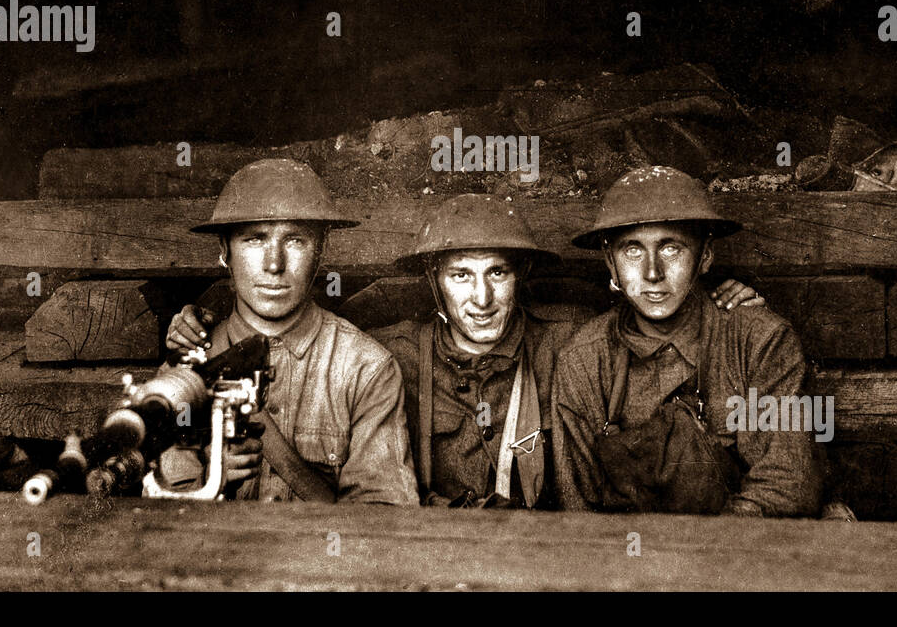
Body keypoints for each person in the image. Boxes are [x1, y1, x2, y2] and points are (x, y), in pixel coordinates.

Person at [169, 192, 765, 508]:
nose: (480, 299)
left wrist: (719, 305)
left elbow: (645, 333)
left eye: (498, 274)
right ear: (433, 284)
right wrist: (193, 323)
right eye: (460, 276)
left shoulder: (573, 347)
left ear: (522, 278)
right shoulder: (390, 356)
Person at [552, 166, 825, 517]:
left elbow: (789, 482)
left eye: (671, 249)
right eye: (633, 251)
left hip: (744, 555)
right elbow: (578, 507)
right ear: (610, 262)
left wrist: (699, 551)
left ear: (705, 256)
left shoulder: (759, 340)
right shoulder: (585, 360)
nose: (652, 273)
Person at [156, 158, 418, 504]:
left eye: (295, 240)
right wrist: (209, 477)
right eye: (255, 240)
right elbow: (157, 519)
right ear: (224, 251)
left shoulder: (366, 369)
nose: (274, 263)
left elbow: (382, 523)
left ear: (320, 251)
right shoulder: (185, 370)